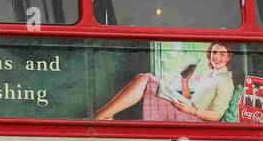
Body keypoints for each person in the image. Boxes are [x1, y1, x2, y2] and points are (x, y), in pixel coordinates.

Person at [93, 43, 235, 122]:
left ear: (229, 58)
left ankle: (100, 117)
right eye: (214, 53)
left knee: (145, 79)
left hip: (196, 119)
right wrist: (184, 81)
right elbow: (190, 99)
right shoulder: (208, 75)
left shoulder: (225, 81)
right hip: (188, 108)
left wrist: (191, 110)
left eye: (222, 54)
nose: (217, 57)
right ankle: (102, 116)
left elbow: (216, 116)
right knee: (144, 78)